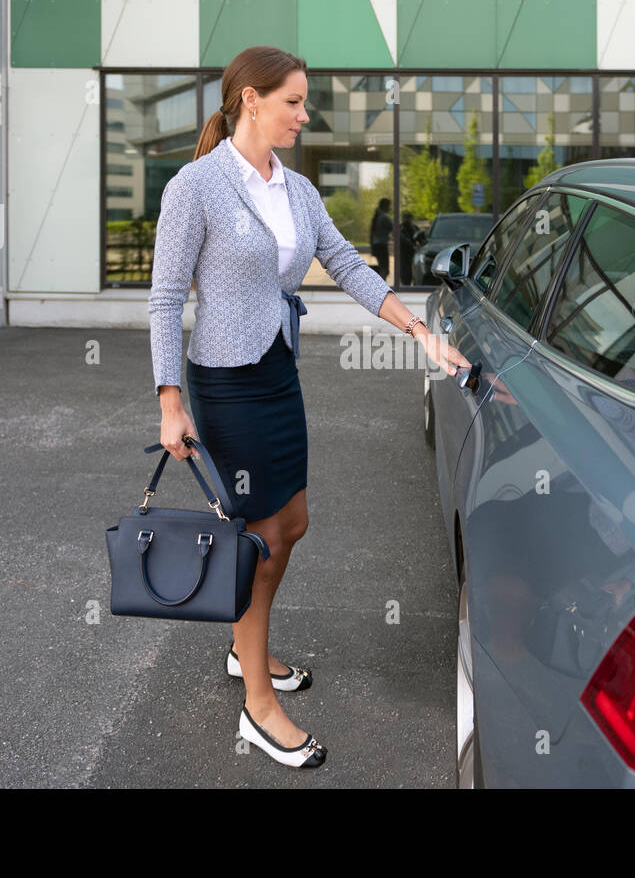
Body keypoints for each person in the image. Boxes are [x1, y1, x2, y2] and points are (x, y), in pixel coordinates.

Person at [148, 45, 469, 769]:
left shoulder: (296, 190)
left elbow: (349, 265)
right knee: (259, 535)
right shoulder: (196, 188)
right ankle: (259, 704)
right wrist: (171, 402)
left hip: (277, 374)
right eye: (293, 101)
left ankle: (244, 648)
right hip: (225, 382)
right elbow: (167, 297)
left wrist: (421, 332)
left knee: (292, 521)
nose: (304, 113)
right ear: (250, 100)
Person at [368, 197, 393, 281]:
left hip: (376, 245)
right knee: (384, 269)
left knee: (382, 267)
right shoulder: (384, 218)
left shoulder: (378, 217)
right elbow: (394, 228)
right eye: (389, 206)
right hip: (381, 245)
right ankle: (381, 287)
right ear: (385, 206)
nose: (390, 208)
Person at [398, 209, 422, 285]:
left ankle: (411, 282)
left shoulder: (413, 227)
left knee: (411, 267)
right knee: (404, 267)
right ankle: (405, 282)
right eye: (406, 218)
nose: (407, 220)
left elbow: (419, 237)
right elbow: (400, 237)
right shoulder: (401, 227)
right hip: (403, 250)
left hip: (411, 250)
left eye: (409, 218)